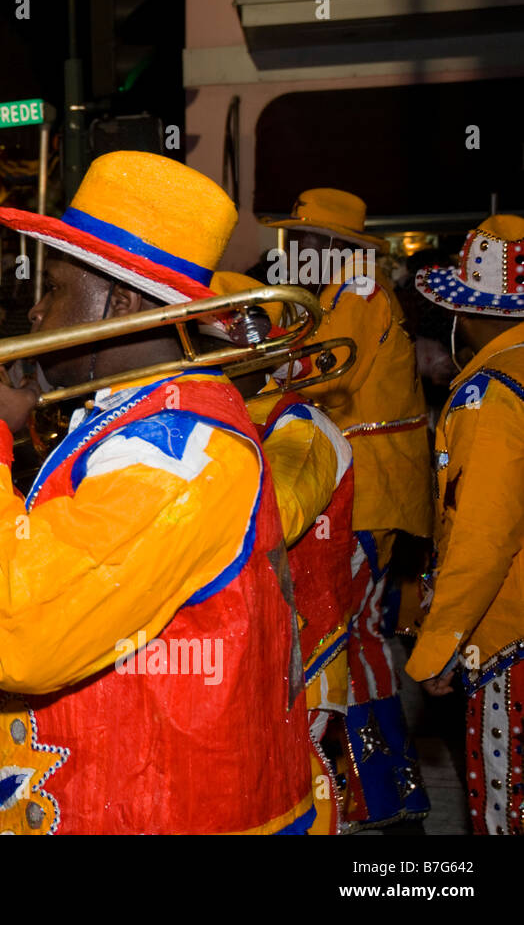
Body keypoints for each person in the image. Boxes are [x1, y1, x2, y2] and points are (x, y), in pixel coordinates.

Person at [0, 151, 312, 833]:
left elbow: (19, 640)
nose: (36, 307)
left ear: (120, 302)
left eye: (56, 287)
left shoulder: (175, 453)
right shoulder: (144, 413)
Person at [261, 188, 432, 827]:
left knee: (341, 638)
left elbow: (323, 376)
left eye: (303, 240)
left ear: (333, 248)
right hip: (359, 489)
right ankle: (381, 791)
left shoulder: (357, 295)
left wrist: (262, 361)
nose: (295, 251)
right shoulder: (340, 297)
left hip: (366, 493)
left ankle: (369, 792)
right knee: (355, 639)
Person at [213, 271, 362, 834]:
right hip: (241, 649)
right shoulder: (224, 420)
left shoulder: (304, 425)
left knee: (296, 797)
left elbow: (282, 513)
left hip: (300, 654)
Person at [405, 215, 524, 836]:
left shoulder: (491, 391)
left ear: (471, 316)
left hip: (510, 637)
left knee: (506, 809)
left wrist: (438, 646)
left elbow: (481, 537)